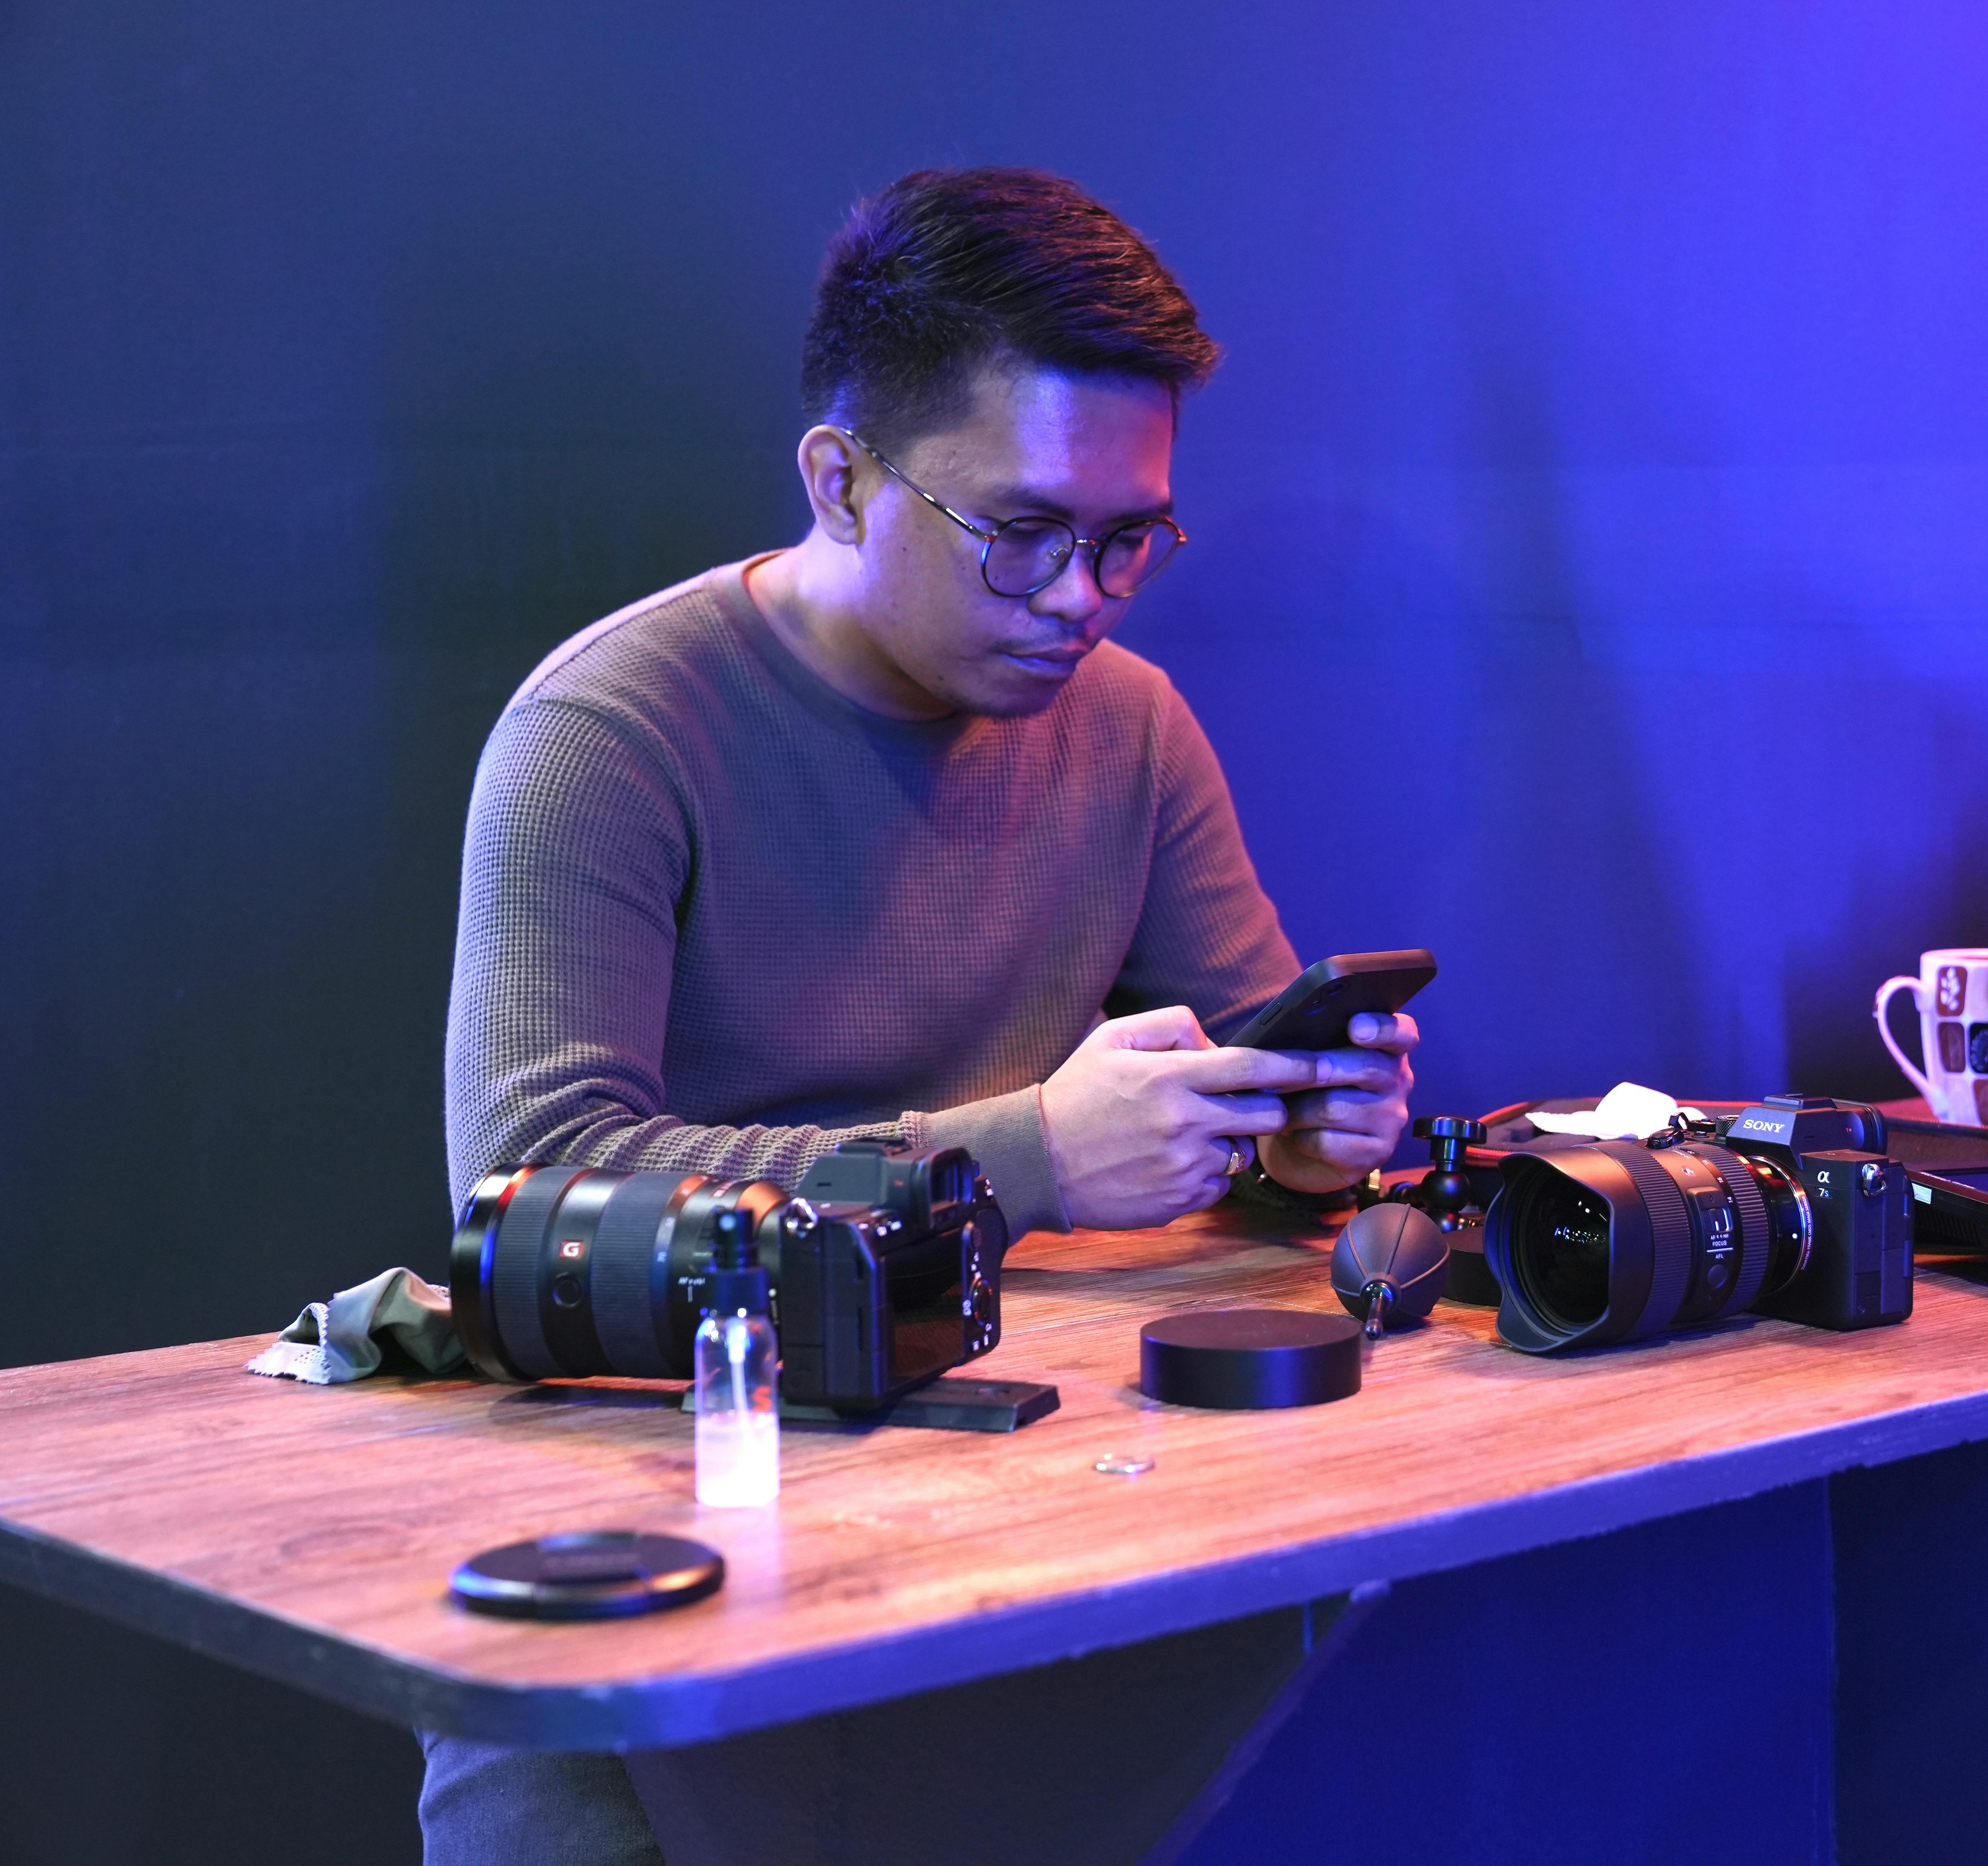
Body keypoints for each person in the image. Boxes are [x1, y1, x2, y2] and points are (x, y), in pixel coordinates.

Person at [426, 167, 1418, 1864]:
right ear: (841, 478)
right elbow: (536, 1192)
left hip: (1010, 1539)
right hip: (648, 1560)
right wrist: (1026, 1154)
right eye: (1023, 534)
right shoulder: (609, 730)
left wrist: (1318, 1141)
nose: (1083, 598)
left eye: (1131, 541)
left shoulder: (1130, 728)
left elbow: (1256, 1081)